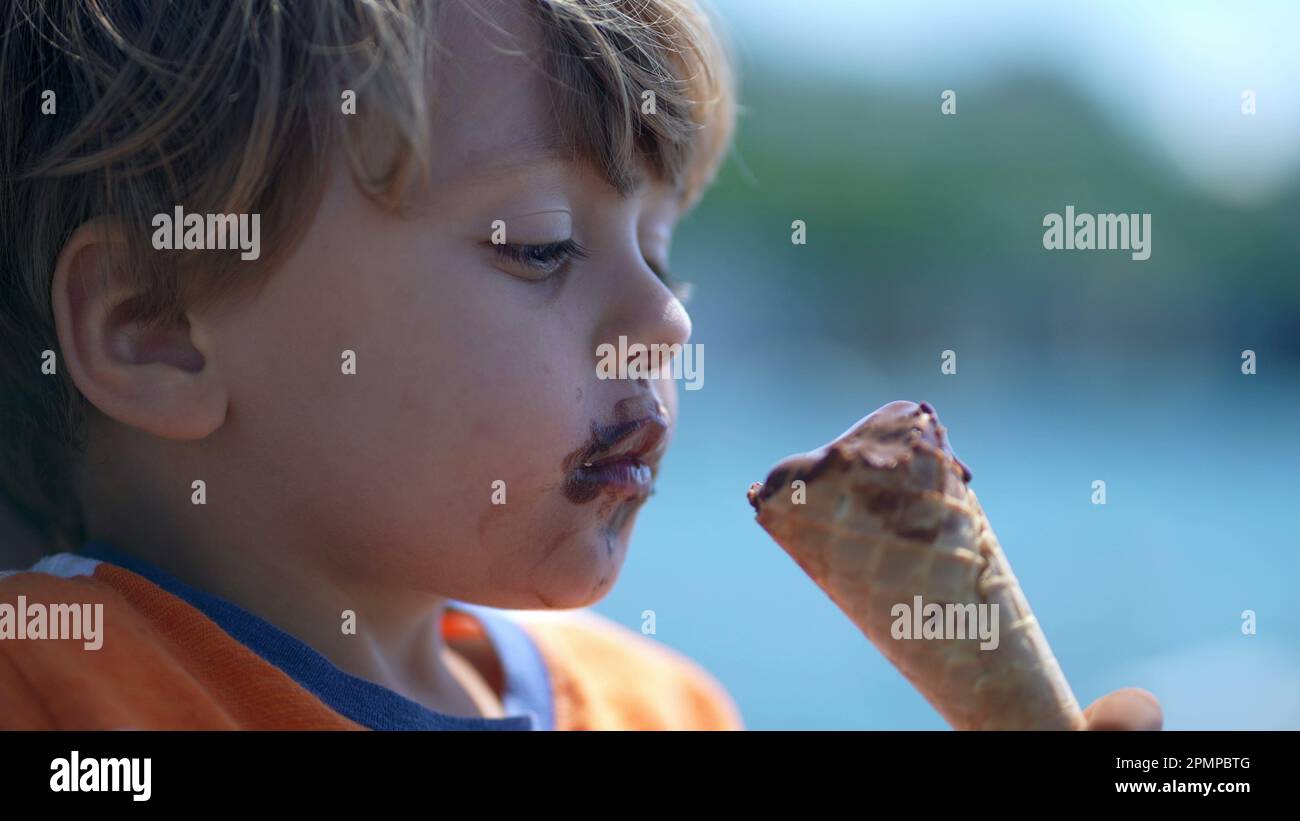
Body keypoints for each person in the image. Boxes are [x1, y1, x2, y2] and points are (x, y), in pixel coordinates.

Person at [0, 0, 1159, 731]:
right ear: (159, 323)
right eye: (537, 245)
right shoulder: (57, 688)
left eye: (660, 248)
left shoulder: (668, 707)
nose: (664, 319)